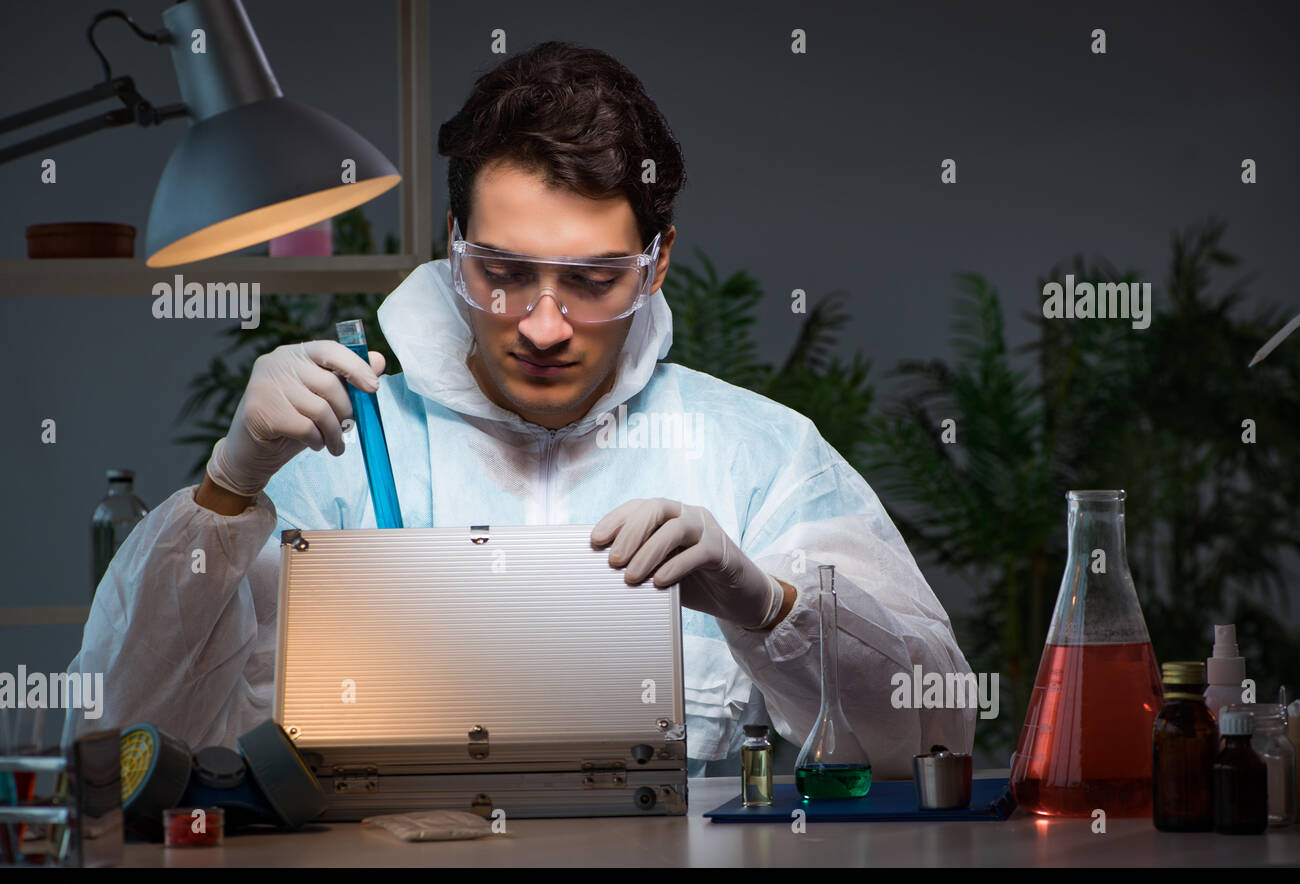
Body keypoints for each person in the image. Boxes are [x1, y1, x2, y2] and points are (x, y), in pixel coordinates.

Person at [64, 40, 974, 778]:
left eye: (592, 280)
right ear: (455, 248)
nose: (544, 325)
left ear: (656, 264)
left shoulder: (757, 455)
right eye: (502, 274)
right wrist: (230, 484)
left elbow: (933, 741)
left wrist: (768, 603)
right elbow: (112, 747)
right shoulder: (336, 452)